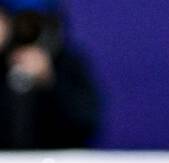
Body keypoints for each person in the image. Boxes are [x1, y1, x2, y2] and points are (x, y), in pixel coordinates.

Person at [0, 0, 100, 149]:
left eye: (37, 22)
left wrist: (50, 80)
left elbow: (85, 123)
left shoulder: (66, 64)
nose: (27, 32)